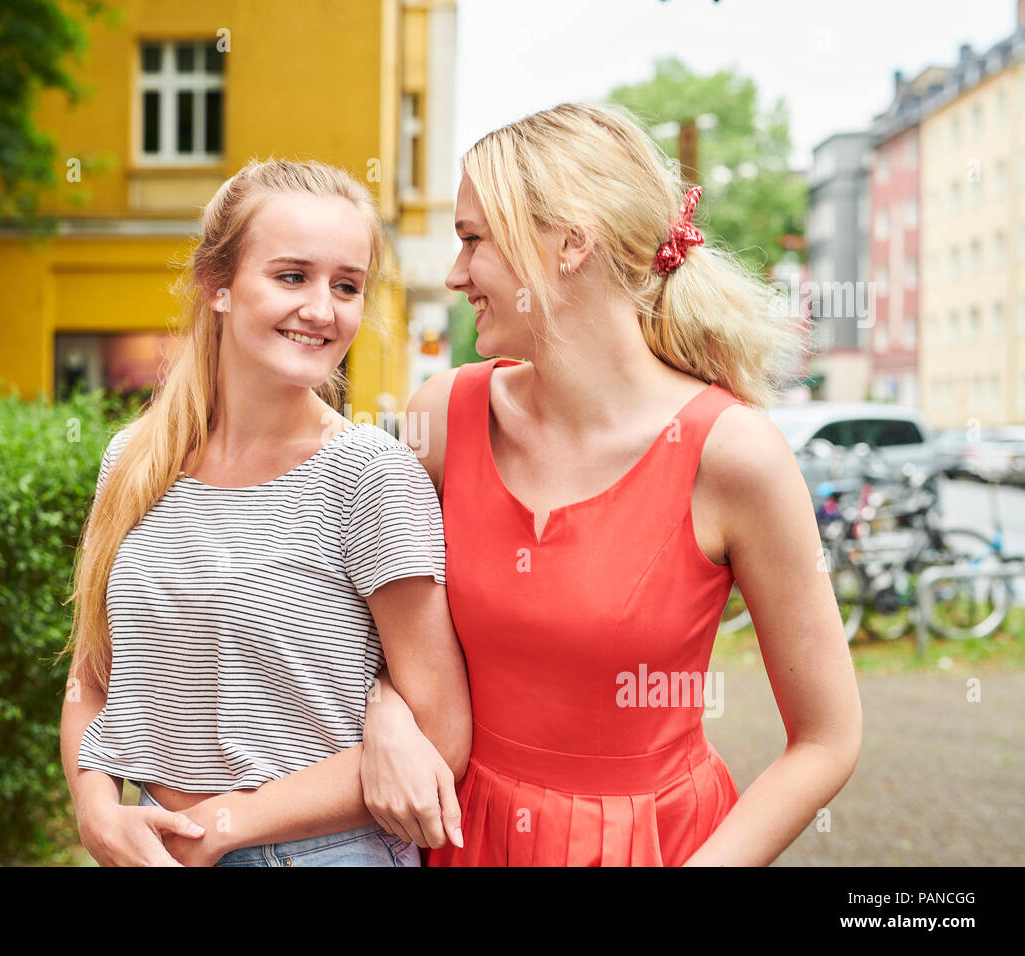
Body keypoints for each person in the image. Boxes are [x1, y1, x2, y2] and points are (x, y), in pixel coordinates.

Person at [360, 102, 863, 866]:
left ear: (569, 243)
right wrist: (384, 714)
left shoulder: (732, 455)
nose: (454, 274)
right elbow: (362, 624)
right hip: (468, 839)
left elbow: (828, 738)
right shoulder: (444, 417)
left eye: (472, 241)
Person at [58, 158, 472, 867]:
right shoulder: (134, 459)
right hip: (158, 846)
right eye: (291, 276)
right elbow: (92, 677)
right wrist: (96, 808)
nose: (323, 309)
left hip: (318, 854)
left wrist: (222, 828)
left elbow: (442, 730)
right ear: (216, 286)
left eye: (346, 286)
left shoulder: (370, 473)